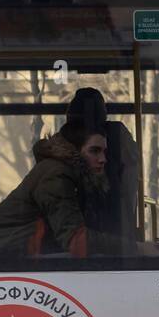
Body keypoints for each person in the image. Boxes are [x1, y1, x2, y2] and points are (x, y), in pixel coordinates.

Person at [0, 118, 121, 259]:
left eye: (104, 152)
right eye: (94, 151)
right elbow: (76, 241)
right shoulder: (56, 174)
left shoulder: (71, 175)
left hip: (12, 256)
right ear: (75, 150)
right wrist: (135, 249)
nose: (103, 159)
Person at [65, 87, 141, 247]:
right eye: (94, 151)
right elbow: (131, 173)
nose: (102, 160)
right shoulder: (117, 134)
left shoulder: (65, 138)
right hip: (115, 208)